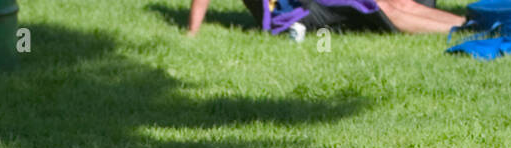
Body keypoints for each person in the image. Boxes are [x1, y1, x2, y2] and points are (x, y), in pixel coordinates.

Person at [187, 0, 464, 37]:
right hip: (294, 9)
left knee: (396, 1)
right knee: (379, 6)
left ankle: (470, 24)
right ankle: (465, 31)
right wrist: (193, 32)